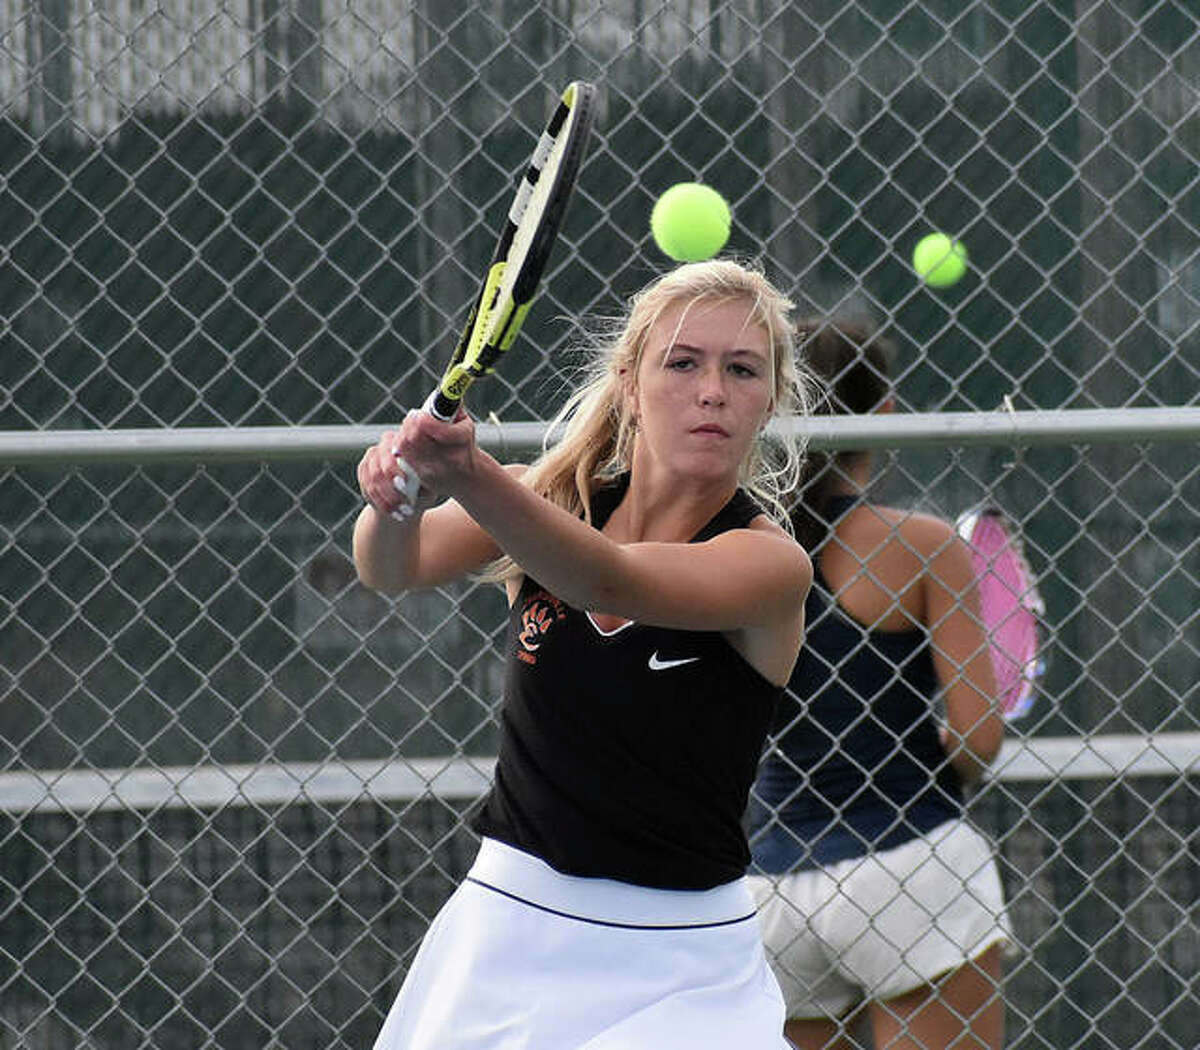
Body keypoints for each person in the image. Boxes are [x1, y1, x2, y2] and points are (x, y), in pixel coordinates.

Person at [353, 259, 816, 1050]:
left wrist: (466, 471)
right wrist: (396, 498)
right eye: (683, 362)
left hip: (688, 965)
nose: (712, 390)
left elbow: (609, 575)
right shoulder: (552, 499)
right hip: (507, 930)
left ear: (769, 400)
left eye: (742, 369)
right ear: (630, 383)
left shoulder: (772, 565)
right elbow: (389, 567)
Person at [747, 320, 1010, 1050]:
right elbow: (977, 737)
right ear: (885, 417)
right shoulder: (923, 547)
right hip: (911, 862)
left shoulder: (735, 553)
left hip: (770, 886)